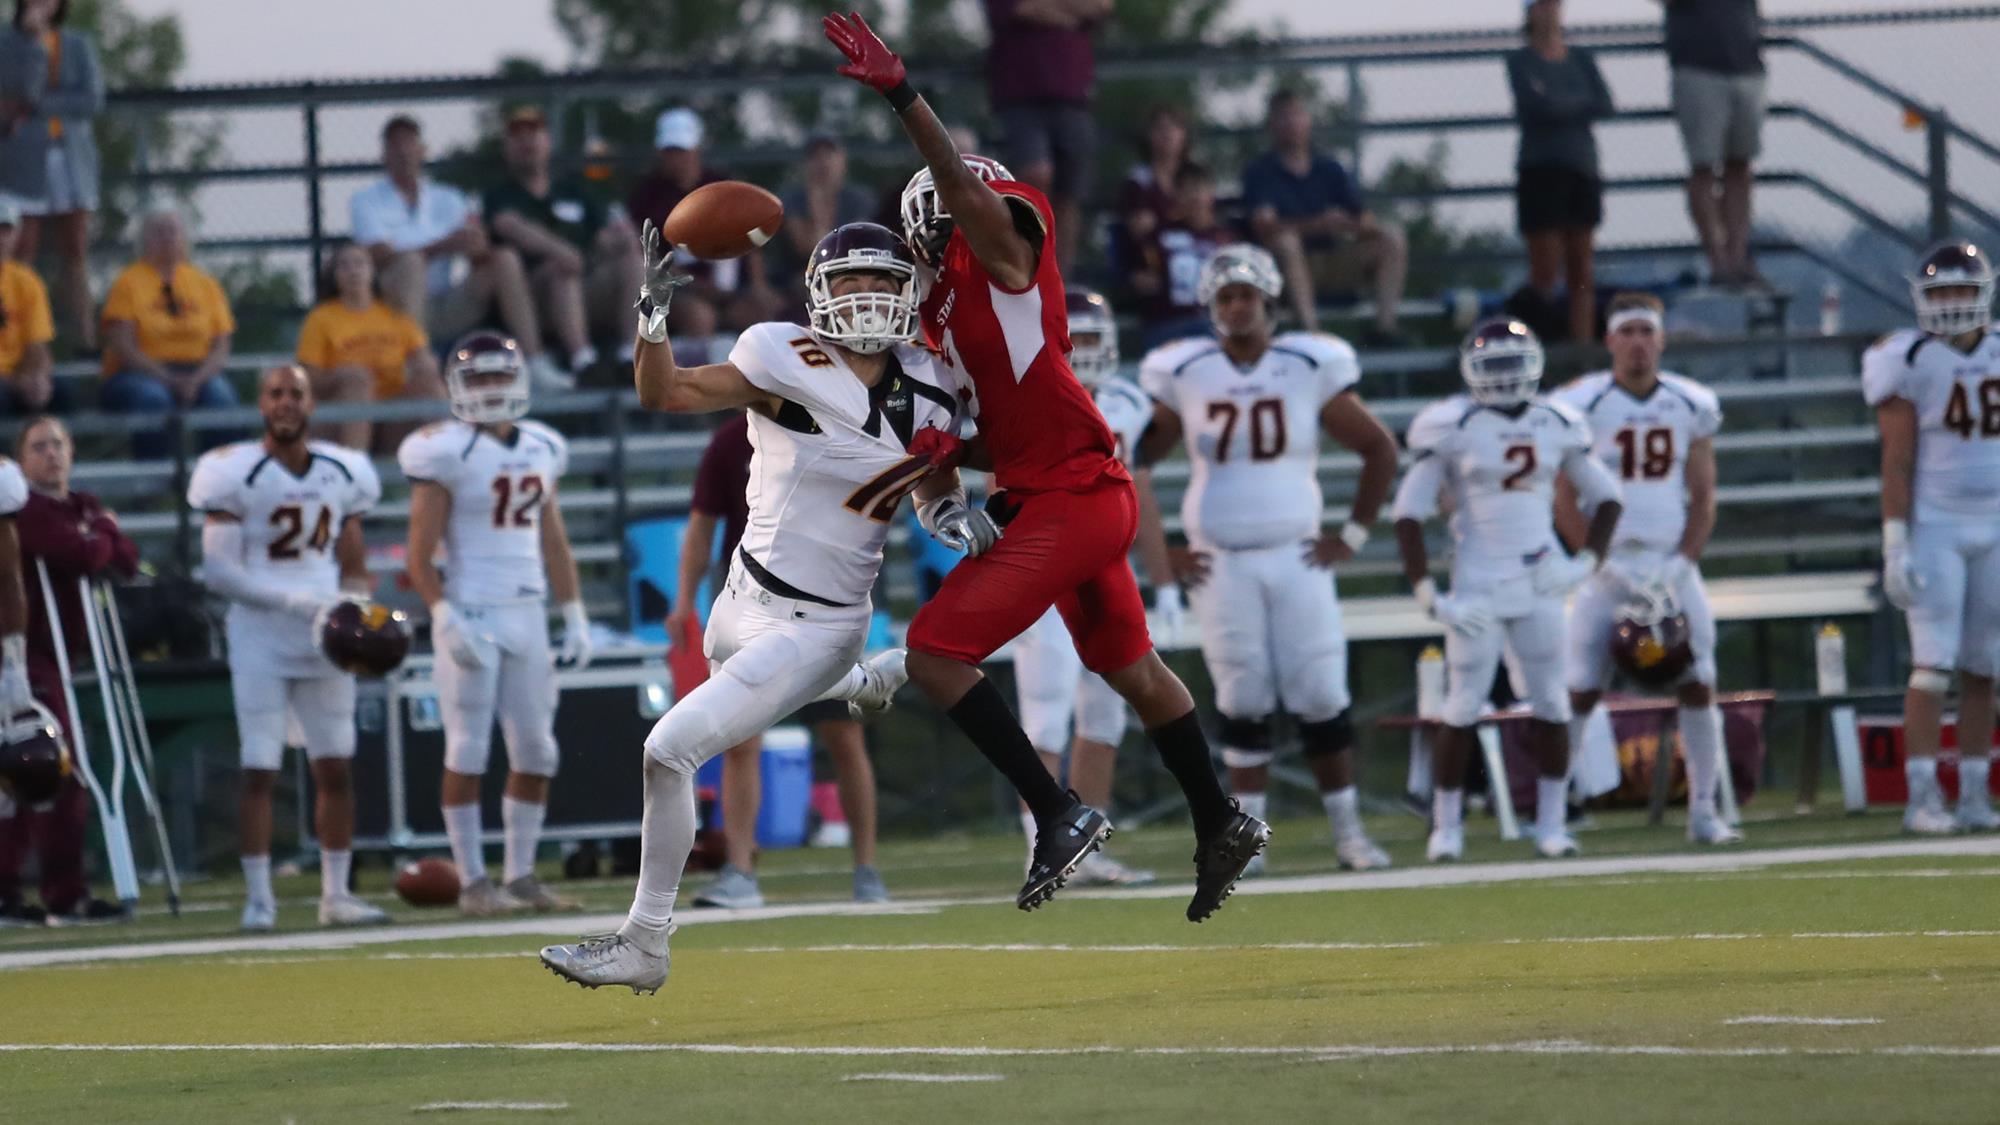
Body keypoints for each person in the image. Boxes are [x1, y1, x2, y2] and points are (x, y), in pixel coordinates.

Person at [825, 11, 1266, 922]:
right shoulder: (940, 322)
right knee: (1131, 667)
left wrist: (904, 95)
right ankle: (1219, 818)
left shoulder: (1001, 257)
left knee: (934, 652)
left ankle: (1058, 811)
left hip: (1072, 490)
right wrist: (944, 486)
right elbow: (975, 435)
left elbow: (962, 189)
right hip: (1057, 490)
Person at [537, 221, 939, 993]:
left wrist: (949, 507)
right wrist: (652, 315)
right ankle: (862, 683)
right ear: (819, 291)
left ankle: (644, 940)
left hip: (821, 622)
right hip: (739, 596)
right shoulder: (783, 355)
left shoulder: (933, 384)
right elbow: (665, 390)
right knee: (734, 692)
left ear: (908, 291)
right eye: (850, 280)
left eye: (882, 280)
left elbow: (942, 465)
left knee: (669, 750)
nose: (866, 295)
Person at [1139, 245, 1400, 873]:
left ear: (1269, 301)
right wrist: (1161, 552)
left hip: (1296, 554)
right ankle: (1245, 841)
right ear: (1210, 305)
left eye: (1246, 296)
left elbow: (1380, 448)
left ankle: (1348, 834)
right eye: (1226, 296)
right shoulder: (1186, 370)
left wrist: (1353, 535)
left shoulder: (1307, 363)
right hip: (1220, 561)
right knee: (1243, 695)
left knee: (1321, 691)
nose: (1236, 307)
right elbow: (1131, 464)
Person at [1391, 319, 1624, 862]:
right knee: (1462, 705)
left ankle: (1551, 824)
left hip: (1539, 578)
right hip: (1477, 581)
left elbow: (1609, 498)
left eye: (1510, 363)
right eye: (1491, 365)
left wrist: (1584, 564)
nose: (1502, 376)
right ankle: (1446, 828)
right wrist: (1427, 594)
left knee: (1551, 702)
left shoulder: (1556, 420)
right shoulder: (1453, 424)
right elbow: (1407, 512)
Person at [187, 367, 390, 931]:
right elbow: (219, 571)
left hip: (325, 635)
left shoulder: (341, 471)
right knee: (259, 766)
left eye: (296, 393)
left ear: (310, 403)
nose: (286, 403)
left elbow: (353, 561)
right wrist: (294, 602)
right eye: (276, 394)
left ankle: (336, 895)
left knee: (335, 765)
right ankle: (259, 898)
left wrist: (353, 611)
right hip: (260, 635)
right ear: (261, 404)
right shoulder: (234, 471)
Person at [400, 332, 592, 916]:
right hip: (472, 612)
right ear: (457, 387)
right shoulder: (446, 451)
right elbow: (417, 554)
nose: (489, 387)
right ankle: (473, 882)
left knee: (538, 750)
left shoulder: (541, 446)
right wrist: (443, 615)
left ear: (518, 380)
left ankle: (521, 875)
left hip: (527, 611)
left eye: (498, 375)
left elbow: (553, 539)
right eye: (478, 377)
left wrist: (574, 613)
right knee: (468, 748)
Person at [668, 411, 892, 907]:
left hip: (822, 607)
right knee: (741, 740)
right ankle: (741, 870)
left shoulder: (829, 426)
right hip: (753, 606)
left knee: (843, 736)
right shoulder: (731, 441)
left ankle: (866, 868)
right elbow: (702, 526)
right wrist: (683, 600)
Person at [1550, 293, 1740, 844]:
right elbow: (1562, 499)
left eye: (1646, 332)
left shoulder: (1689, 402)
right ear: (1610, 340)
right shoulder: (1581, 403)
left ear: (1661, 340)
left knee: (1699, 680)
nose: (1637, 343)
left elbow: (1703, 497)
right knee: (1580, 689)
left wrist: (1682, 563)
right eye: (1627, 332)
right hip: (1606, 566)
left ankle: (1703, 810)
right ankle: (1553, 814)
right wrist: (1595, 562)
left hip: (1667, 562)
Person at [1007, 287, 1177, 888]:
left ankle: (1087, 849)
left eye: (1092, 338)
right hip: (1045, 573)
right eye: (1074, 339)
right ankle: (1041, 848)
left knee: (1105, 716)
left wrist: (1164, 582)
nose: (1084, 351)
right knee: (1046, 719)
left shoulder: (1129, 403)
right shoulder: (1029, 396)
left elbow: (1141, 492)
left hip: (1106, 572)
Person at [1862, 242, 2000, 835]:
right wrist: (1896, 543)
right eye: (1940, 291)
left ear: (1983, 292)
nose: (1951, 301)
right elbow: (1897, 461)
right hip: (1936, 525)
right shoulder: (1908, 357)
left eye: (1960, 289)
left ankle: (1974, 794)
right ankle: (1921, 797)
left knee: (1984, 665)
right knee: (1932, 664)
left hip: (1996, 523)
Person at [0, 416, 121, 925]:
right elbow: (84, 551)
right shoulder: (36, 508)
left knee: (43, 767)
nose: (51, 454)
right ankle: (48, 890)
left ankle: (44, 890)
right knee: (40, 771)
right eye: (39, 446)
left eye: (57, 444)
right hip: (32, 654)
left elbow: (120, 560)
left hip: (30, 655)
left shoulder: (30, 496)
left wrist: (12, 662)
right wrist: (105, 529)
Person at [348, 116, 562, 390]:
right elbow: (379, 256)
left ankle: (535, 361)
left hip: (446, 303)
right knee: (410, 263)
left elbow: (477, 247)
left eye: (410, 143)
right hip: (394, 308)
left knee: (504, 259)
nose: (403, 151)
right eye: (395, 145)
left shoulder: (449, 198)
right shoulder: (366, 200)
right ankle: (416, 367)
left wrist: (476, 245)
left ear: (423, 150)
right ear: (384, 154)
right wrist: (444, 245)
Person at [482, 105, 644, 378]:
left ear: (548, 142)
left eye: (534, 133)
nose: (527, 142)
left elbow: (601, 237)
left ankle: (631, 356)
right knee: (563, 268)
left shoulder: (574, 191)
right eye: (518, 136)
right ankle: (584, 361)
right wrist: (558, 250)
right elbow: (508, 225)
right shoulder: (500, 194)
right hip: (536, 296)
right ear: (507, 148)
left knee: (633, 263)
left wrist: (623, 239)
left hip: (588, 287)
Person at [1243, 90, 1408, 345]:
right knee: (1287, 242)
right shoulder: (1260, 172)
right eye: (1283, 116)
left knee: (1391, 237)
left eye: (1297, 115)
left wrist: (1348, 224)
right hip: (1287, 270)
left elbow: (1364, 219)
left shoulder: (1329, 168)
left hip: (1332, 261)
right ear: (1272, 124)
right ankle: (1312, 335)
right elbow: (1264, 227)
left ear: (1308, 120)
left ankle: (1385, 329)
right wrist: (1318, 224)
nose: (1291, 123)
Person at [1508, 0, 1614, 344]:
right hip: (1541, 170)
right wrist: (1576, 102)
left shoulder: (1580, 57)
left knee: (1581, 268)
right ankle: (1544, 343)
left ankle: (1581, 347)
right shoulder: (1521, 60)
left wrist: (1558, 102)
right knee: (1545, 269)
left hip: (1581, 167)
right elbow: (1536, 106)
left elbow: (1604, 102)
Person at [0, 0, 102, 353]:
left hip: (71, 159)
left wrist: (40, 107)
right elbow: (19, 92)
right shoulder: (8, 45)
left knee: (75, 249)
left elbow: (91, 100)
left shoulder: (76, 44)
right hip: (23, 160)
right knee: (21, 248)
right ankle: (22, 338)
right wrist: (32, 45)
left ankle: (85, 338)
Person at [625, 107, 780, 337]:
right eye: (669, 152)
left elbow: (752, 238)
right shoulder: (648, 195)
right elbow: (645, 255)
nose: (676, 159)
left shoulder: (722, 185)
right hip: (679, 289)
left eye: (681, 151)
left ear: (696, 149)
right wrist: (695, 285)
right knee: (700, 317)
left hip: (732, 290)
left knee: (766, 312)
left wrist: (758, 286)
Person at [982, 0, 1108, 273]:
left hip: (1073, 93)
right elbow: (1019, 9)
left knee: (1070, 194)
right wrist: (1069, 15)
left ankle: (1060, 278)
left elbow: (1100, 6)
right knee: (1034, 177)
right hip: (1020, 94)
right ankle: (1028, 269)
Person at [99, 209, 237, 458]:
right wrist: (168, 379)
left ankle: (217, 476)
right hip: (139, 374)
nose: (167, 237)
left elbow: (221, 346)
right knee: (154, 399)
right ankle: (154, 479)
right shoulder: (127, 283)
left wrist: (195, 380)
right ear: (145, 240)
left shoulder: (206, 284)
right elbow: (124, 346)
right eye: (158, 232)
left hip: (197, 372)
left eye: (172, 231)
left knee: (222, 398)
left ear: (184, 238)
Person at [295, 240, 445, 453]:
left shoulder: (393, 314)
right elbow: (309, 379)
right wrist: (343, 376)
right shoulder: (321, 318)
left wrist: (424, 367)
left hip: (390, 415)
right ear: (334, 275)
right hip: (342, 415)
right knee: (357, 379)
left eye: (360, 264)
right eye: (344, 266)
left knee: (429, 382)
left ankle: (448, 457)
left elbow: (423, 358)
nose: (353, 271)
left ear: (372, 271)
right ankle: (356, 463)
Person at [1659, 0, 1766, 287]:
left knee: (1740, 166)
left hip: (1746, 64)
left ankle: (1738, 259)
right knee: (1703, 167)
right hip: (1698, 68)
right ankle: (1718, 262)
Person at [1130, 162, 1233, 349]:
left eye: (1199, 188)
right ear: (1175, 196)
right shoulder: (1158, 237)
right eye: (1187, 190)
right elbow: (1141, 277)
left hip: (1215, 324)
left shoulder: (1226, 240)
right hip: (1169, 324)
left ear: (1211, 192)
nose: (1195, 197)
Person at [778, 134, 878, 287]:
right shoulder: (792, 200)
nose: (823, 163)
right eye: (816, 157)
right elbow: (807, 248)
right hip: (799, 277)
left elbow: (857, 245)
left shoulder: (859, 199)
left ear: (842, 160)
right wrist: (817, 202)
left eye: (829, 155)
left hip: (850, 271)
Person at [0, 198, 62, 415]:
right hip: (7, 382)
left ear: (16, 235)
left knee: (60, 392)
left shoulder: (27, 281)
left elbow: (38, 344)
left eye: (6, 229)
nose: (0, 237)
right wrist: (14, 382)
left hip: (16, 376)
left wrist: (37, 377)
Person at [1119, 105, 1193, 251]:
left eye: (1174, 127)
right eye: (1160, 128)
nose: (1167, 134)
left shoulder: (1195, 176)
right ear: (1149, 135)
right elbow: (1138, 228)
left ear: (1184, 134)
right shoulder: (1138, 180)